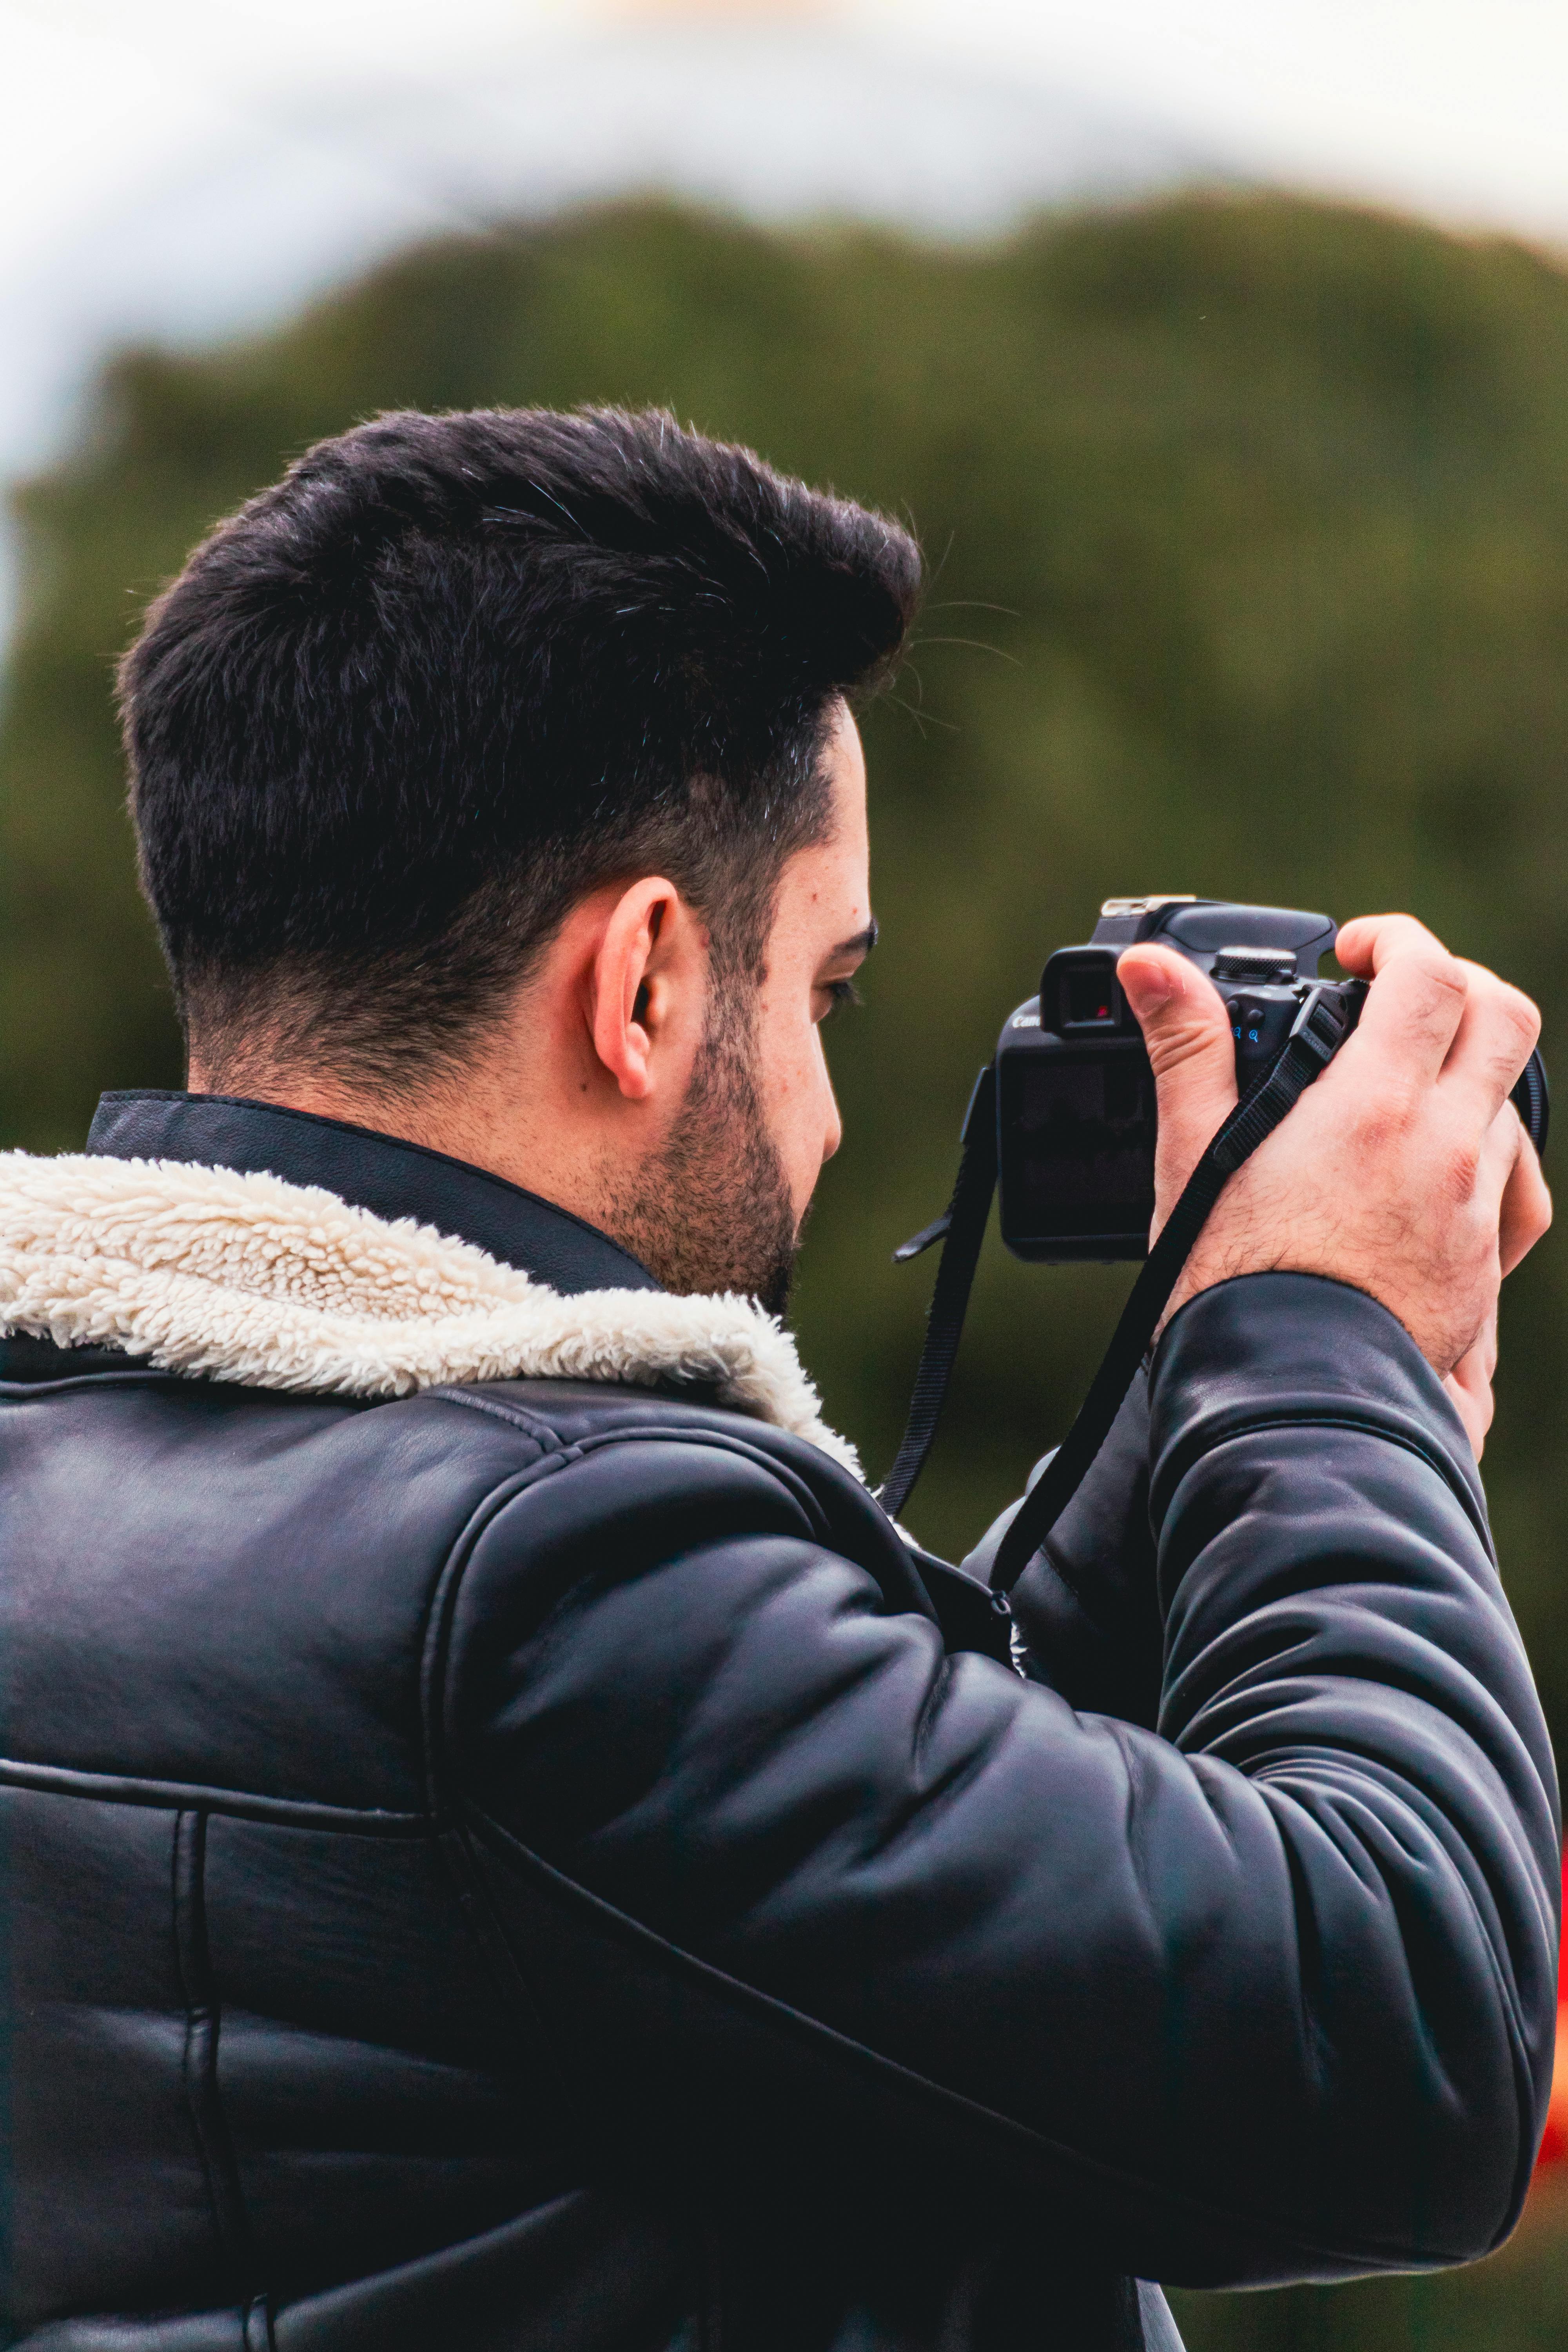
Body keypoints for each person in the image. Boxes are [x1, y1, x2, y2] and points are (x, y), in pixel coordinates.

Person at [0, 406, 1557, 2352]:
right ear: (645, 982)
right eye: (826, 990)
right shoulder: (547, 1577)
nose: (824, 1112)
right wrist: (1327, 1352)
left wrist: (1199, 1416)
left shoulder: (87, 1474)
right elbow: (1402, 2051)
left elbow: (814, 1860)